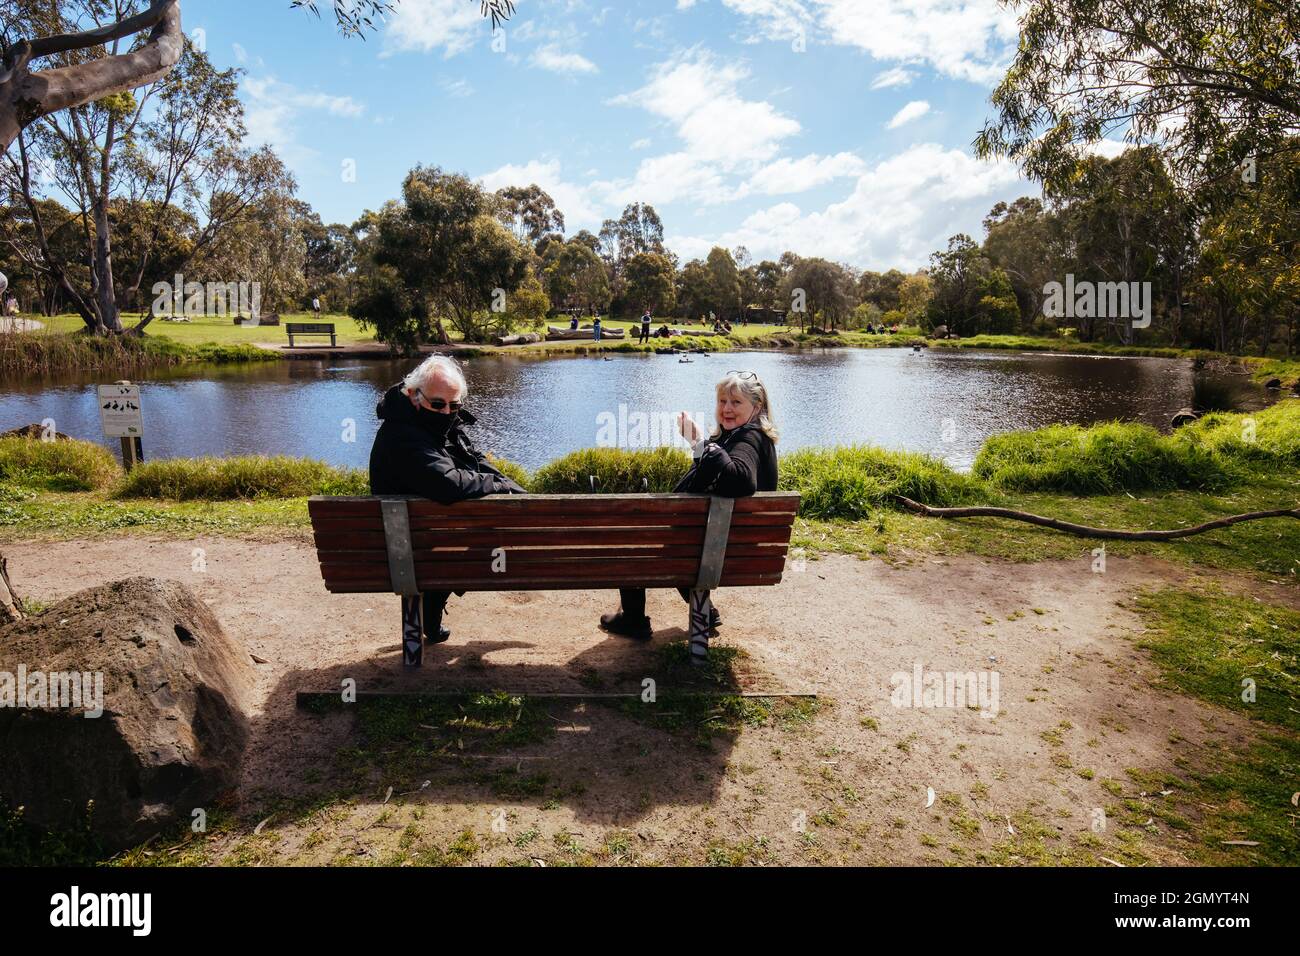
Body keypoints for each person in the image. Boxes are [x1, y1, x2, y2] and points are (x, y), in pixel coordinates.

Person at [600, 371, 779, 665]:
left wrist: (698, 441)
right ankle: (703, 613)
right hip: (728, 548)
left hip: (710, 548)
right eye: (723, 400)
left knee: (633, 538)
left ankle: (633, 619)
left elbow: (740, 480)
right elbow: (721, 473)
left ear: (756, 407)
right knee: (682, 543)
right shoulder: (745, 436)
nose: (727, 408)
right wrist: (705, 444)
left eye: (736, 401)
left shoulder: (749, 438)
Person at [369, 355, 527, 667]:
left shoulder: (433, 422)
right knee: (479, 537)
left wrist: (512, 488)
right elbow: (449, 484)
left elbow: (473, 461)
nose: (447, 412)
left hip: (427, 545)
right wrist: (499, 487)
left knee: (464, 534)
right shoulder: (401, 436)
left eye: (454, 406)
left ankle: (430, 607)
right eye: (439, 404)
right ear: (414, 395)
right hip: (410, 553)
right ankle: (434, 600)